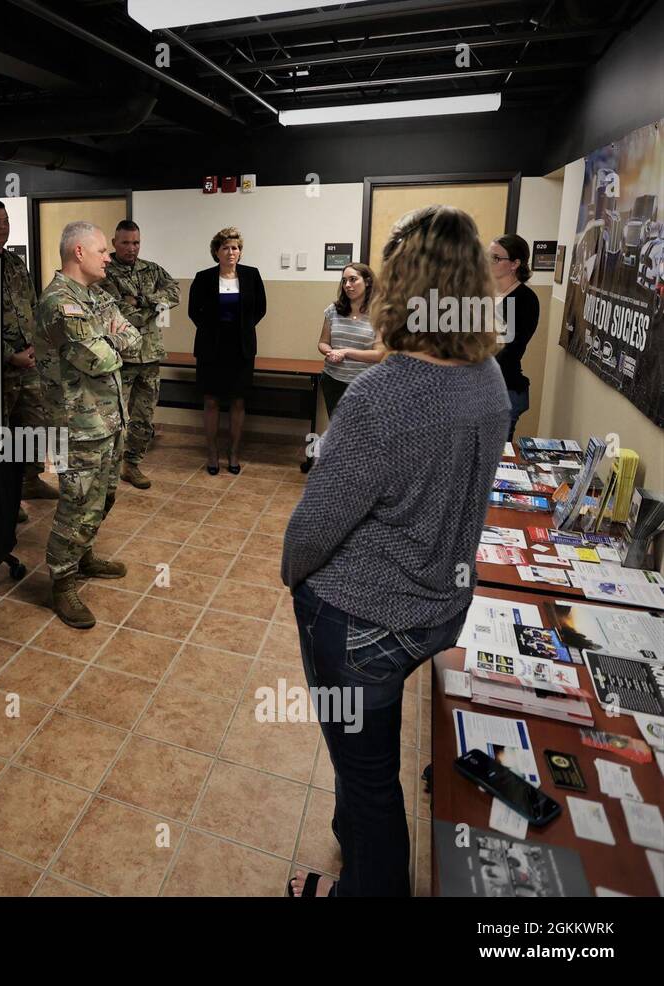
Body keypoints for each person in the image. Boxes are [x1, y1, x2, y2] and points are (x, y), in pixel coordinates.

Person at [281, 205, 509, 897]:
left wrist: (294, 576)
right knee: (369, 767)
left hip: (359, 620)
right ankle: (354, 843)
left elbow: (314, 529)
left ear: (402, 283)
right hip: (439, 609)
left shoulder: (384, 394)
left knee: (370, 779)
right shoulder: (488, 380)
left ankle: (371, 879)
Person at [35, 223, 143, 629]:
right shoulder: (59, 303)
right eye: (102, 250)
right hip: (75, 427)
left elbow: (132, 339)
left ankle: (83, 555)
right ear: (79, 252)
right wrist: (107, 339)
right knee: (76, 505)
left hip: (108, 420)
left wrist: (106, 338)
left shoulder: (95, 297)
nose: (109, 256)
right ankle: (62, 582)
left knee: (104, 497)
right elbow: (100, 358)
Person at [0, 198, 57, 522]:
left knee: (34, 426)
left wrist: (37, 347)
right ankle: (7, 496)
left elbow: (32, 306)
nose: (3, 227)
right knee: (2, 435)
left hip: (30, 363)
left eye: (6, 221)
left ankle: (30, 481)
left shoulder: (15, 263)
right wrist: (10, 356)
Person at [100, 220, 180, 489]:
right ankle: (109, 467)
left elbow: (174, 292)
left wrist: (143, 300)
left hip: (150, 357)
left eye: (136, 242)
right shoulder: (104, 272)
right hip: (122, 357)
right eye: (125, 242)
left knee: (144, 417)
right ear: (114, 243)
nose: (131, 248)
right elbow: (119, 313)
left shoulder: (151, 269)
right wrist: (152, 308)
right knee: (115, 417)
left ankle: (131, 465)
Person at [188, 226, 267, 475]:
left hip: (241, 350)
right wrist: (215, 331)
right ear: (216, 252)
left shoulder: (252, 276)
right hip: (211, 350)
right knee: (211, 401)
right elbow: (194, 311)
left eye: (235, 248)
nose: (231, 252)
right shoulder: (203, 278)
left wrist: (240, 329)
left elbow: (260, 309)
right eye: (225, 248)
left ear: (240, 252)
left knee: (238, 402)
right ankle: (212, 452)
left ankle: (234, 452)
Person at [489, 234, 540, 442]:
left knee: (495, 461)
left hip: (503, 390)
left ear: (515, 264)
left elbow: (509, 350)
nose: (489, 263)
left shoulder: (525, 300)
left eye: (496, 258)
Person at [316, 262, 380, 417]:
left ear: (367, 281)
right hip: (333, 380)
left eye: (353, 279)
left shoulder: (379, 313)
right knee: (338, 429)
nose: (348, 285)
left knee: (361, 432)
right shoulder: (333, 310)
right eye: (344, 281)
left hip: (365, 383)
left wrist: (345, 352)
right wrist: (331, 352)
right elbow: (322, 343)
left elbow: (379, 354)